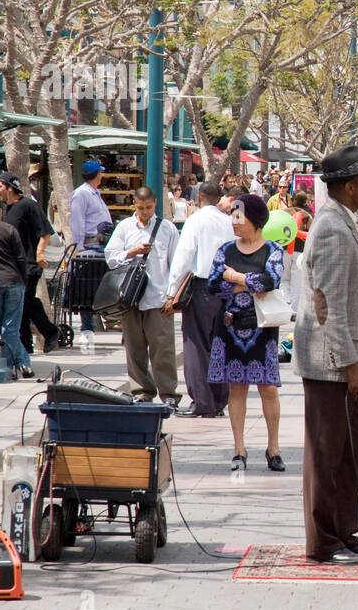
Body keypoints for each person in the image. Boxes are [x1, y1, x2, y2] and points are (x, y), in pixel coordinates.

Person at [294, 145, 358, 564]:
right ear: (351, 186)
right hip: (331, 364)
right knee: (327, 454)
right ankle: (324, 542)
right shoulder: (333, 228)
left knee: (347, 452)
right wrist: (353, 365)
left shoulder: (347, 219)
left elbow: (349, 289)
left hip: (347, 361)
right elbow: (330, 307)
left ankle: (345, 531)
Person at [207, 194, 286, 472]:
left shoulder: (273, 250)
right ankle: (239, 448)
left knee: (268, 388)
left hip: (261, 328)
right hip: (229, 326)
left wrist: (235, 277)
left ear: (255, 219)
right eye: (232, 216)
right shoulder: (225, 249)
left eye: (238, 217)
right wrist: (246, 283)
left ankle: (273, 448)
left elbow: (269, 281)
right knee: (236, 388)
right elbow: (213, 285)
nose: (234, 222)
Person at [104, 187, 181, 407]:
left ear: (155, 204)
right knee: (134, 349)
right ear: (134, 205)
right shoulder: (124, 227)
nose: (145, 212)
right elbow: (110, 259)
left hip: (158, 298)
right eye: (140, 208)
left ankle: (168, 394)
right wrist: (132, 251)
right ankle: (141, 391)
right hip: (130, 299)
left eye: (148, 207)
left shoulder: (167, 229)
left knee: (163, 349)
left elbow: (176, 265)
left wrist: (173, 296)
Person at [163, 182, 234, 418]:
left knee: (196, 345)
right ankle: (218, 400)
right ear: (219, 197)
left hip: (203, 286)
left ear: (200, 196)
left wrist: (172, 291)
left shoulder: (196, 220)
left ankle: (202, 402)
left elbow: (184, 257)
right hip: (226, 286)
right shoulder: (228, 221)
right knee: (220, 345)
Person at [0, 170, 59, 354]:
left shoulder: (29, 205)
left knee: (27, 299)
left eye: (0, 186)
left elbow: (45, 231)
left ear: (10, 188)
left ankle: (50, 331)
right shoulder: (5, 210)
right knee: (20, 306)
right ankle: (25, 345)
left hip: (29, 264)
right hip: (11, 267)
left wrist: (39, 253)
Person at [0, 195, 32, 379]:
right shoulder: (9, 229)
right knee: (10, 328)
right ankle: (13, 365)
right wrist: (24, 279)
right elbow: (21, 258)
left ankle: (22, 362)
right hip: (12, 281)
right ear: (0, 212)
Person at [69, 160, 112, 344]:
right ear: (97, 175)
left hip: (101, 244)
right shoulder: (81, 194)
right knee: (88, 285)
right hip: (90, 245)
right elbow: (77, 221)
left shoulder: (94, 193)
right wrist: (79, 246)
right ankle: (88, 327)